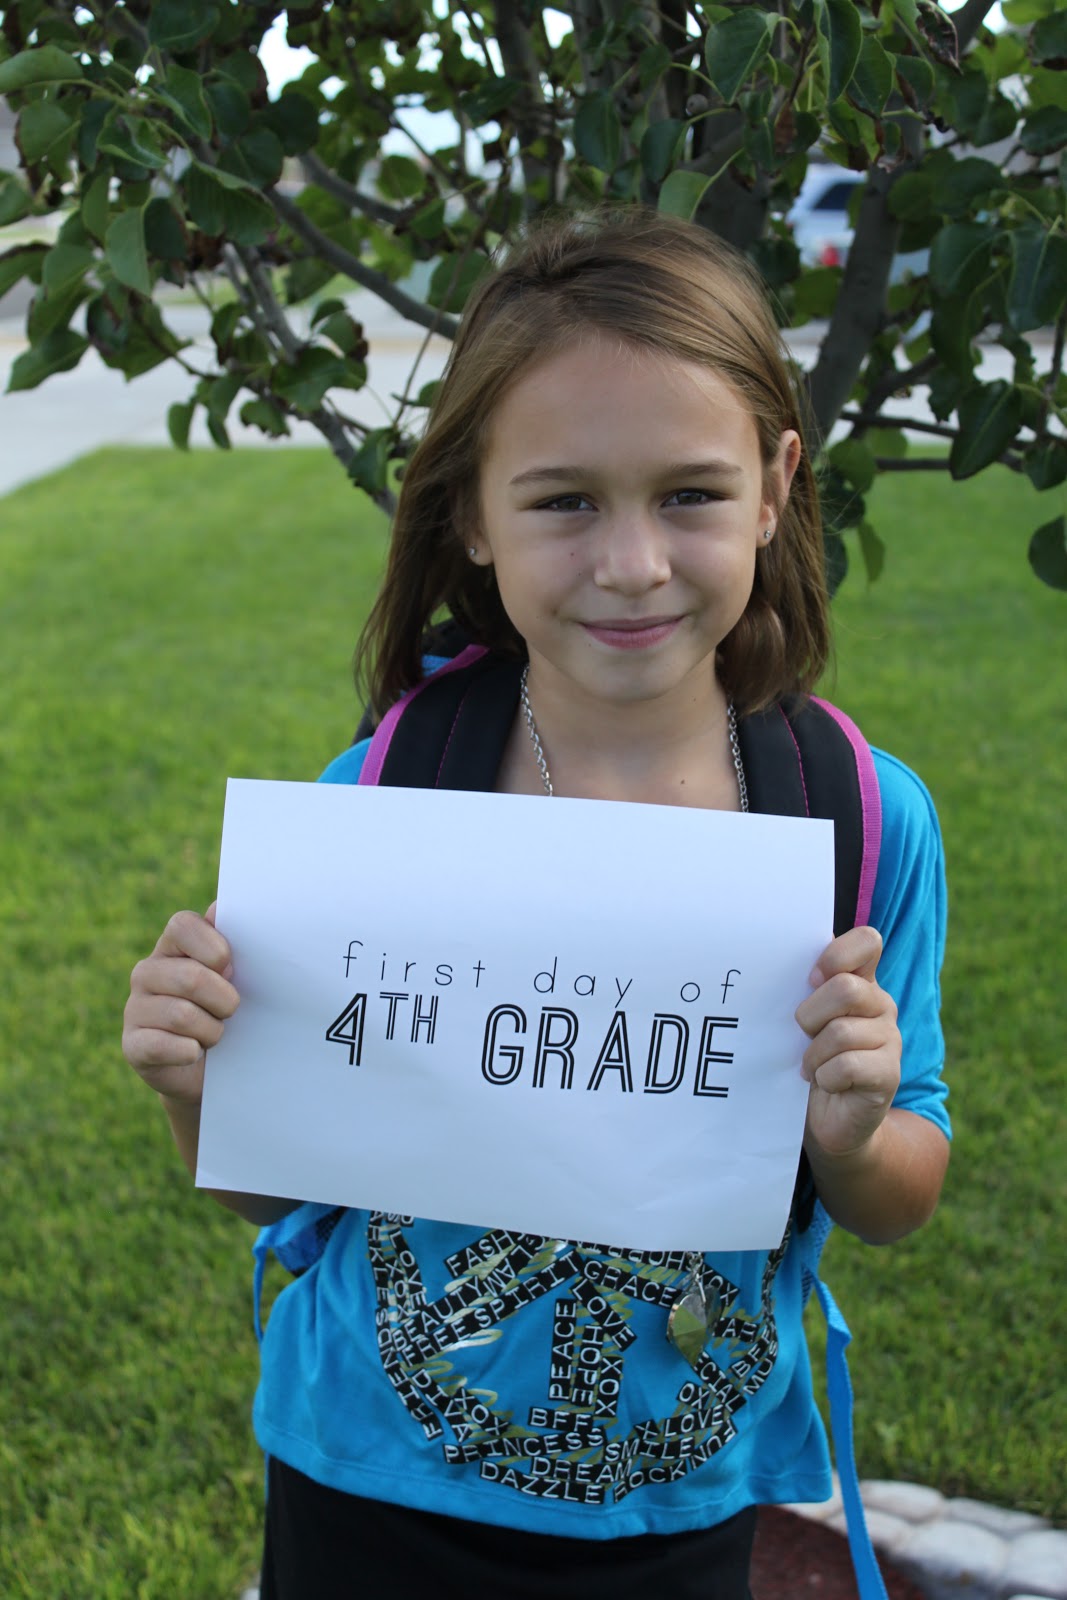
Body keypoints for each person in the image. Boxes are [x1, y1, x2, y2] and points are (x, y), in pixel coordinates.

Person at [122, 209, 950, 1600]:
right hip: (361, 1472)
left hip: (680, 1500)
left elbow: (900, 1192)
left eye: (688, 493)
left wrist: (853, 1130)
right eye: (565, 501)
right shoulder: (386, 797)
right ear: (471, 515)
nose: (631, 563)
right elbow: (270, 1181)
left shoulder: (857, 820)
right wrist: (194, 1082)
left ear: (772, 485)